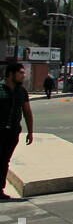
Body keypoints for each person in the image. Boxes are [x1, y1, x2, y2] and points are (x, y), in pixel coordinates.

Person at [1, 63, 34, 200]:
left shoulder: (22, 91)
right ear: (10, 74)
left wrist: (30, 132)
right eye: (20, 73)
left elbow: (27, 111)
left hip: (13, 132)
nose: (23, 75)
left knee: (4, 160)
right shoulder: (0, 89)